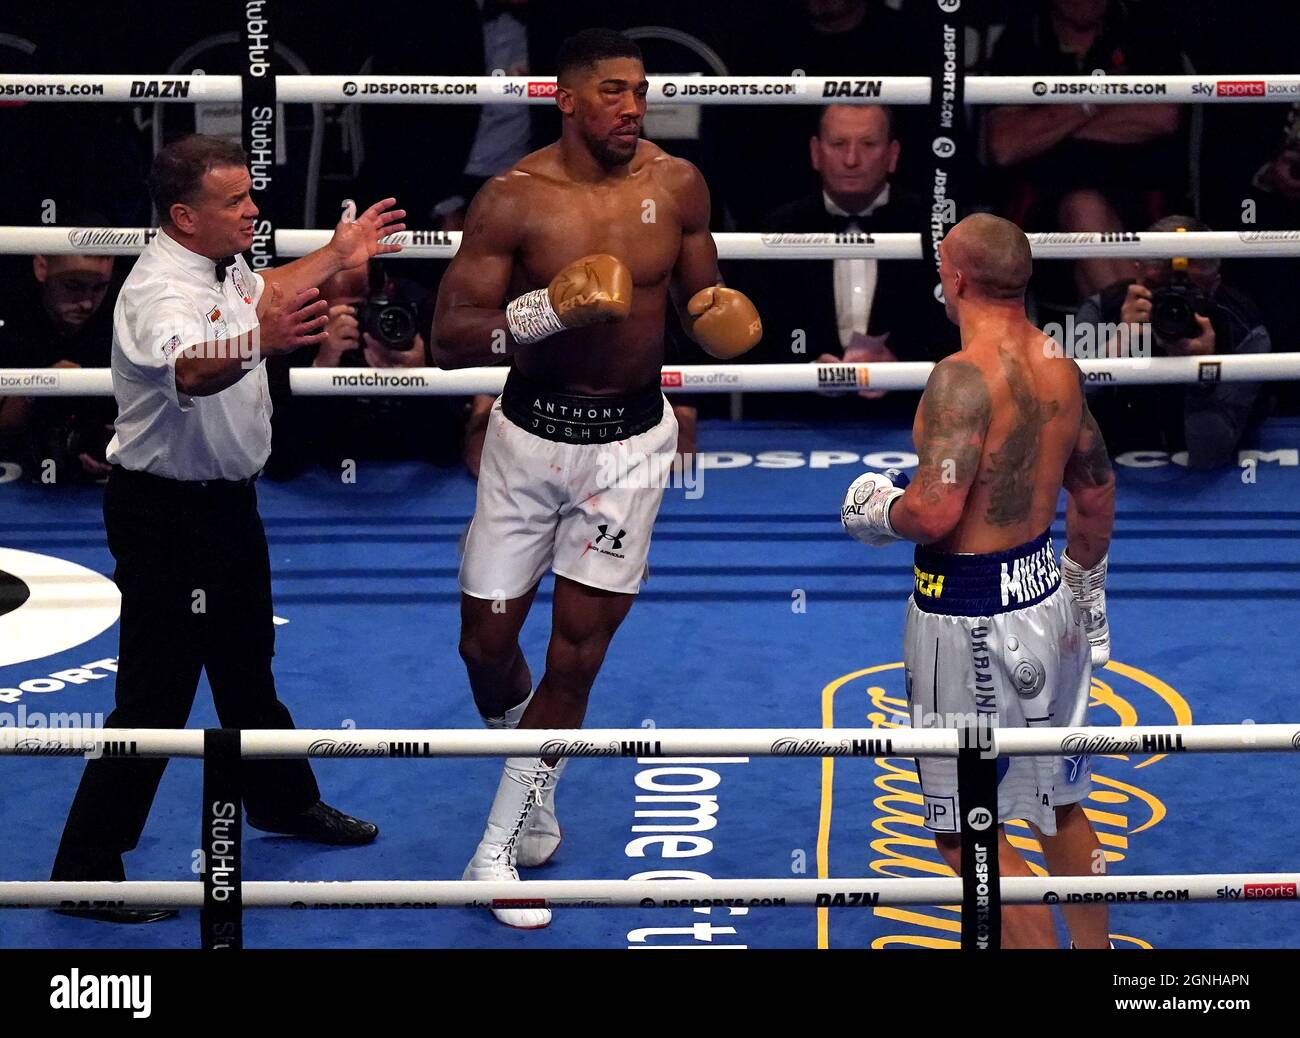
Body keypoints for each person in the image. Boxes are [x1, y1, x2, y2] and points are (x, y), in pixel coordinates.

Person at [432, 28, 761, 929]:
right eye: (612, 91)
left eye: (640, 90)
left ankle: (495, 851)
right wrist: (546, 309)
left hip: (630, 447)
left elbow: (699, 298)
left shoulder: (676, 184)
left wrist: (715, 314)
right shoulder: (512, 200)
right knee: (484, 646)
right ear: (566, 99)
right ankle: (532, 787)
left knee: (577, 652)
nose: (631, 107)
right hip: (527, 438)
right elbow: (452, 334)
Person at [50, 134, 405, 923]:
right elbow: (194, 368)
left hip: (227, 506)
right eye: (235, 202)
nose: (253, 210)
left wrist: (338, 252)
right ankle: (83, 867)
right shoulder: (155, 292)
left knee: (249, 670)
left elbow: (264, 289)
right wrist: (264, 342)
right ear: (184, 216)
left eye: (251, 195)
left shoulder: (217, 264)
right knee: (154, 696)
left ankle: (281, 802)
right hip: (166, 517)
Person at [839, 214, 1116, 949]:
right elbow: (1094, 488)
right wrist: (1086, 592)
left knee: (969, 831)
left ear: (954, 278)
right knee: (1060, 800)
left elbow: (932, 513)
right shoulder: (1058, 361)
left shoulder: (960, 378)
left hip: (966, 619)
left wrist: (873, 510)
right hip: (1047, 597)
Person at [744, 104, 956, 421]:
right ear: (816, 152)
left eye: (868, 144)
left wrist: (901, 364)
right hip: (799, 418)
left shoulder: (934, 228)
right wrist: (808, 365)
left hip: (912, 416)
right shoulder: (779, 227)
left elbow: (955, 332)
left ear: (892, 154)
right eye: (839, 144)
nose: (851, 160)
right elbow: (758, 332)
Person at [983, 0, 1184, 301]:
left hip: (1140, 202)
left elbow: (1162, 116)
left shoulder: (1143, 31)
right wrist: (1095, 101)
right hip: (1041, 211)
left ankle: (1131, 335)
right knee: (1084, 207)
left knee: (1096, 259)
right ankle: (1148, 338)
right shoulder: (1023, 39)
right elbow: (1005, 145)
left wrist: (1048, 126)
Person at [1077, 215, 1271, 468]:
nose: (1173, 302)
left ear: (1214, 284)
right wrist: (1118, 343)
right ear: (1138, 274)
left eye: (1191, 291)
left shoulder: (1245, 329)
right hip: (1117, 449)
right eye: (1157, 286)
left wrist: (1202, 374)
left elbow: (1209, 454)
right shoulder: (1103, 308)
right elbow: (1060, 415)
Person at [0, 247, 117, 482]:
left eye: (99, 287)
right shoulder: (12, 322)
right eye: (73, 286)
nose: (86, 303)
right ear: (41, 268)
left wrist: (113, 446)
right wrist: (40, 386)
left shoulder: (123, 321)